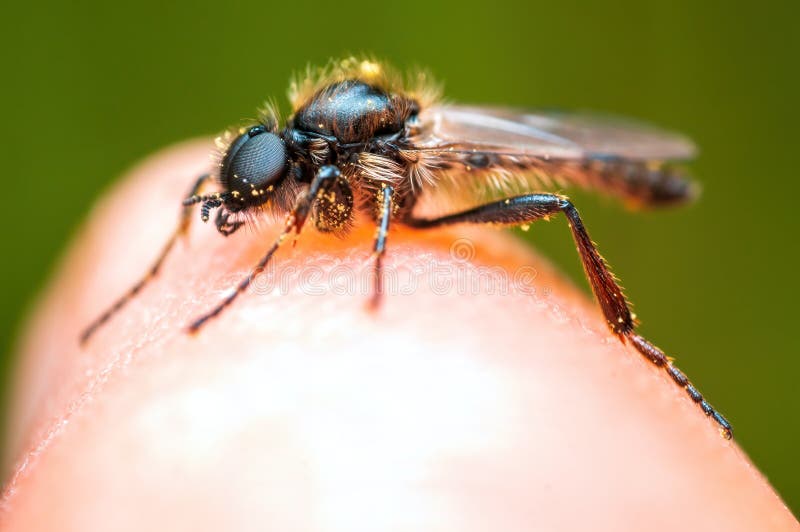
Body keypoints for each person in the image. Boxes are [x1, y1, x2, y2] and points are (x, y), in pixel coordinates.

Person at [3, 141, 796, 531]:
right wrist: (159, 272)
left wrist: (366, 256)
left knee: (557, 205)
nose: (250, 202)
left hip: (435, 175)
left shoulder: (352, 161)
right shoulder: (304, 157)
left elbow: (362, 193)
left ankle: (631, 338)